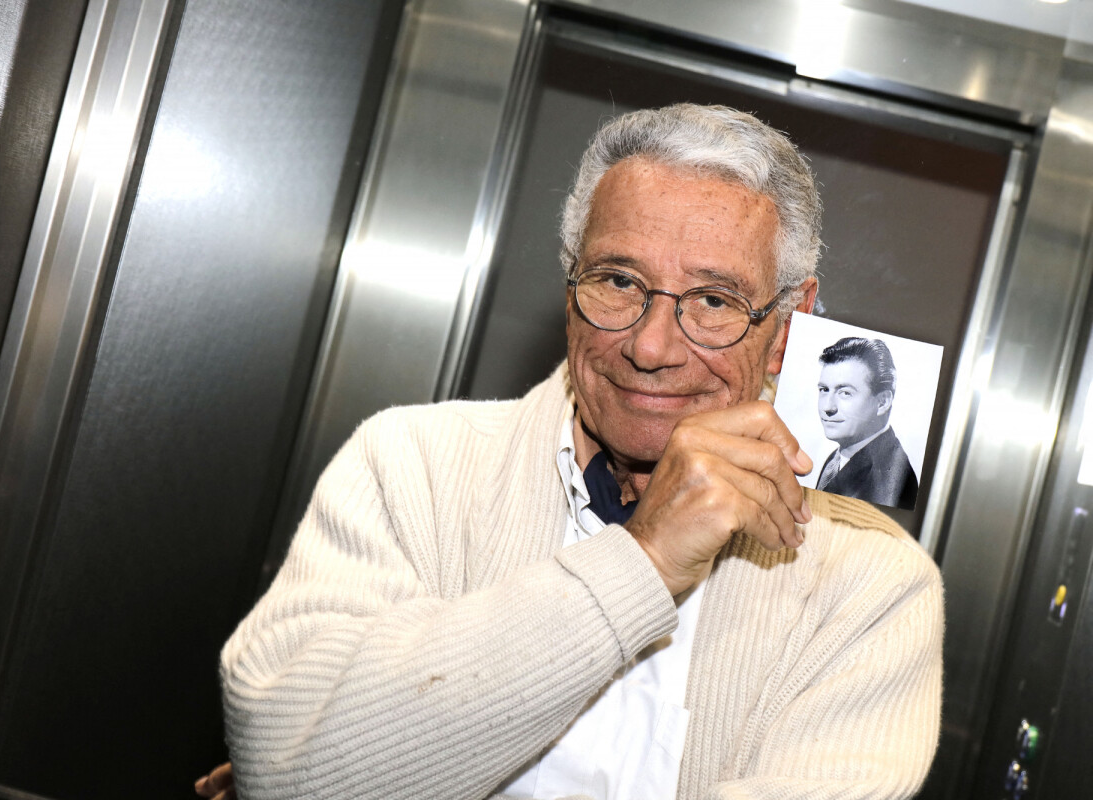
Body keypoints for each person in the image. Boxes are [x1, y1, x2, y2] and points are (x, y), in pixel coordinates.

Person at [204, 104, 943, 800]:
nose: (651, 348)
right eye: (619, 281)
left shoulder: (872, 586)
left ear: (787, 327)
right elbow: (291, 763)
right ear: (568, 285)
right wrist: (644, 559)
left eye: (714, 301)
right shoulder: (412, 465)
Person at [815, 337, 919, 510]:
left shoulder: (890, 484)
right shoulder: (837, 458)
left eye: (845, 393)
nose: (827, 407)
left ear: (882, 402)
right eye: (824, 390)